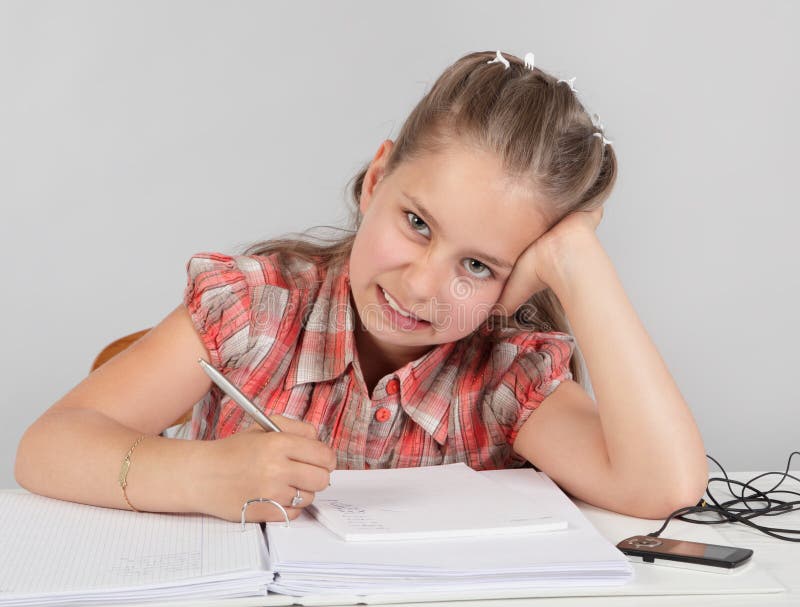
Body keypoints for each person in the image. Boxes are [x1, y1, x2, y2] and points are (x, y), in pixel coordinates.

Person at [15, 50, 708, 523]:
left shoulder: (503, 377)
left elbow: (666, 487)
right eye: (416, 222)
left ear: (520, 276)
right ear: (377, 179)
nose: (421, 282)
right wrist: (204, 476)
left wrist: (580, 260)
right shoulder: (255, 312)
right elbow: (45, 447)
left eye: (479, 266)